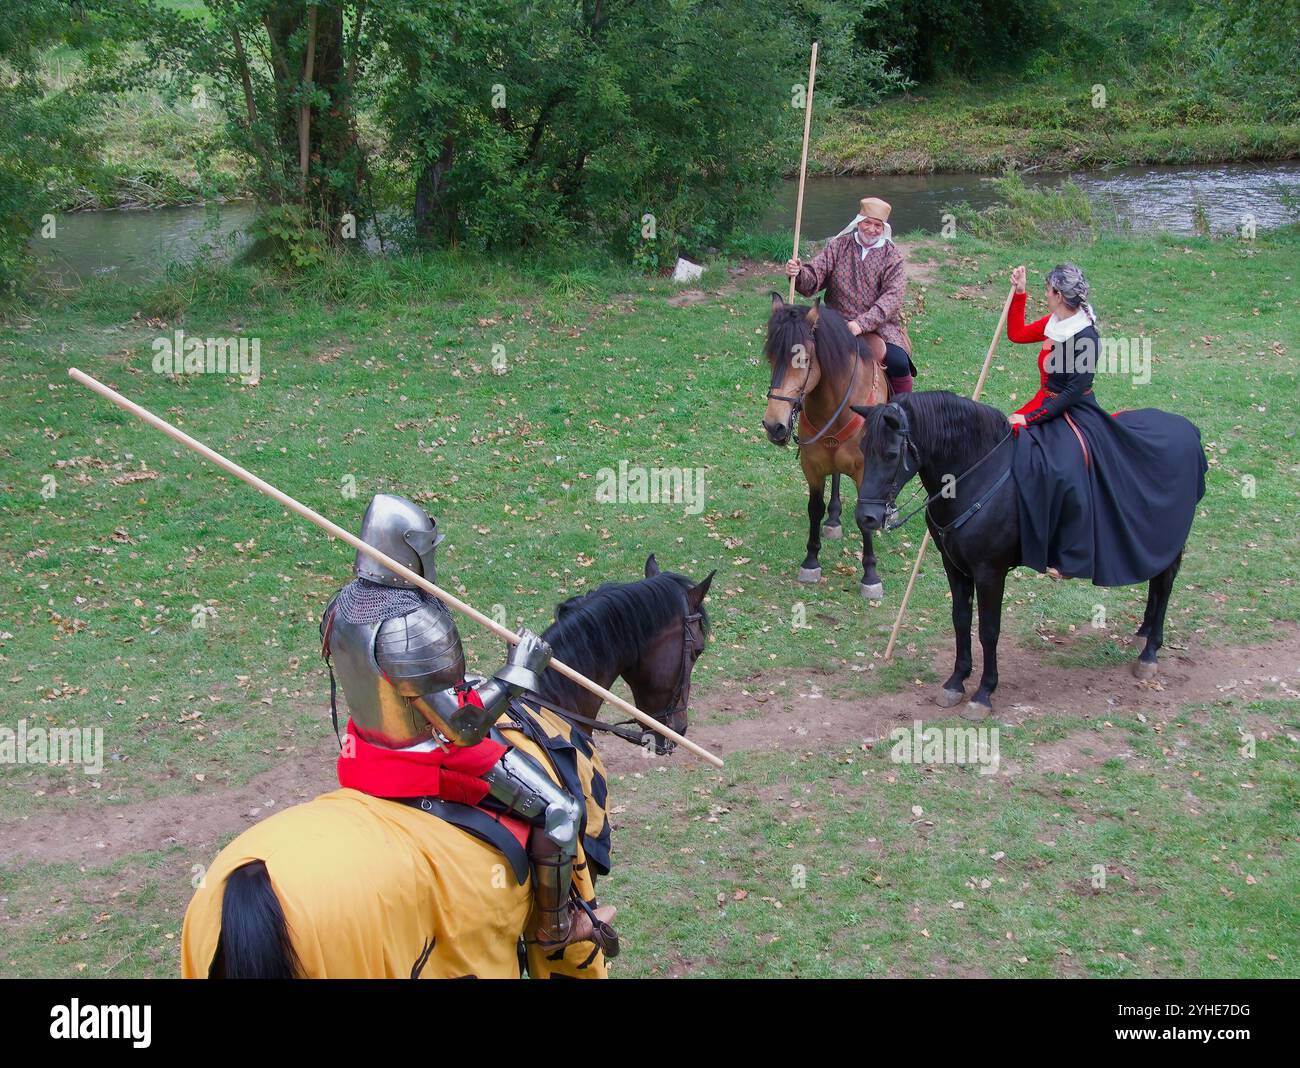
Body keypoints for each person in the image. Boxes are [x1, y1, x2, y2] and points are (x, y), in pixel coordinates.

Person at [320, 493, 617, 955]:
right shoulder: (411, 622)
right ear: (408, 548)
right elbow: (463, 726)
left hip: (367, 750)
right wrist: (520, 671)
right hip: (423, 756)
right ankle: (555, 928)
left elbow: (402, 688)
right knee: (561, 811)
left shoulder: (343, 606)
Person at [1004, 264, 1207, 586]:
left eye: (1046, 291)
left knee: (1065, 467)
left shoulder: (1085, 335)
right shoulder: (1056, 323)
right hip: (1043, 401)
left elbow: (1071, 392)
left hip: (1073, 409)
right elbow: (1016, 334)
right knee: (1009, 445)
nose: (1045, 296)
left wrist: (1030, 418)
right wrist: (1020, 293)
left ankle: (1071, 552)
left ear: (1058, 295)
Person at [784, 196, 916, 393]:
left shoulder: (893, 256)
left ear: (884, 227)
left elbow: (891, 299)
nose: (872, 229)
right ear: (858, 222)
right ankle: (794, 401)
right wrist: (800, 273)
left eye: (878, 225)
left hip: (879, 327)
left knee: (899, 363)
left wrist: (860, 324)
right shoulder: (838, 246)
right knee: (802, 352)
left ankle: (901, 414)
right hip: (836, 321)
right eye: (868, 223)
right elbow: (815, 275)